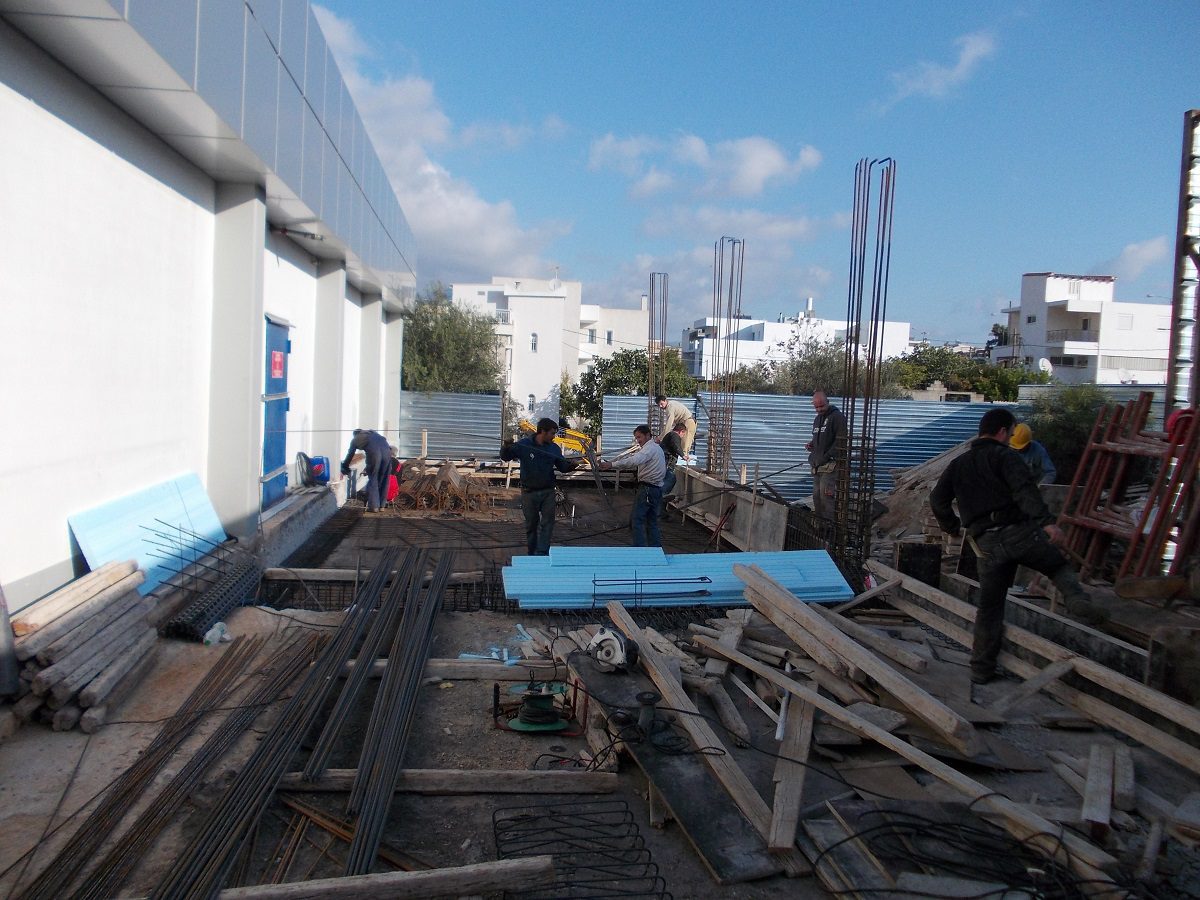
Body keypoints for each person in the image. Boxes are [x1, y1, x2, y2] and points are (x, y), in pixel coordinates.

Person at [930, 408, 1107, 685]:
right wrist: (1047, 523)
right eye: (1010, 433)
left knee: (989, 608)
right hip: (1019, 533)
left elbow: (937, 499)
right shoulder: (1006, 457)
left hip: (985, 544)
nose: (1011, 437)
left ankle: (981, 669)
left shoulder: (959, 464)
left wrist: (952, 527)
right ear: (1002, 431)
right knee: (1056, 565)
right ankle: (1077, 599)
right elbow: (1025, 492)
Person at [500, 417, 576, 555]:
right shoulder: (524, 445)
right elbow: (506, 457)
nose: (554, 437)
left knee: (548, 524)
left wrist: (571, 466)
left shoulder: (553, 448)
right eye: (552, 433)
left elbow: (562, 466)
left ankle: (542, 553)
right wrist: (506, 447)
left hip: (548, 492)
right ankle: (532, 553)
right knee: (531, 525)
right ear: (543, 431)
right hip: (529, 493)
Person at [600, 425, 667, 547]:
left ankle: (640, 550)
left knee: (637, 520)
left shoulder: (649, 449)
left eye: (639, 437)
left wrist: (612, 464)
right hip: (656, 489)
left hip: (647, 488)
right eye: (636, 438)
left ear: (647, 435)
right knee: (652, 522)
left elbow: (634, 461)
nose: (638, 440)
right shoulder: (657, 449)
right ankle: (655, 550)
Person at [805, 390, 845, 519]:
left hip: (830, 466)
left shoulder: (837, 417)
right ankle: (820, 526)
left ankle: (829, 529)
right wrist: (812, 445)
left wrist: (826, 456)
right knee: (816, 497)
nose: (819, 409)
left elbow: (841, 441)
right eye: (816, 407)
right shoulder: (817, 419)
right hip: (818, 465)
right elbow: (820, 438)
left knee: (826, 497)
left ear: (828, 402)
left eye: (821, 406)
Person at [341, 429, 393, 512]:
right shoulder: (374, 433)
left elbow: (350, 454)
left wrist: (344, 466)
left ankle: (374, 507)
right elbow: (383, 442)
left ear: (355, 434)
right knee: (385, 479)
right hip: (387, 452)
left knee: (373, 478)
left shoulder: (355, 439)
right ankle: (382, 506)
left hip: (375, 454)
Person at [660, 421, 687, 500]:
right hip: (667, 460)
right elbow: (676, 446)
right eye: (683, 434)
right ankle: (662, 495)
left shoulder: (670, 435)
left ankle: (660, 496)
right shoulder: (674, 435)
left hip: (664, 460)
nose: (682, 436)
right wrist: (683, 455)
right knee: (671, 478)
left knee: (666, 478)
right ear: (681, 431)